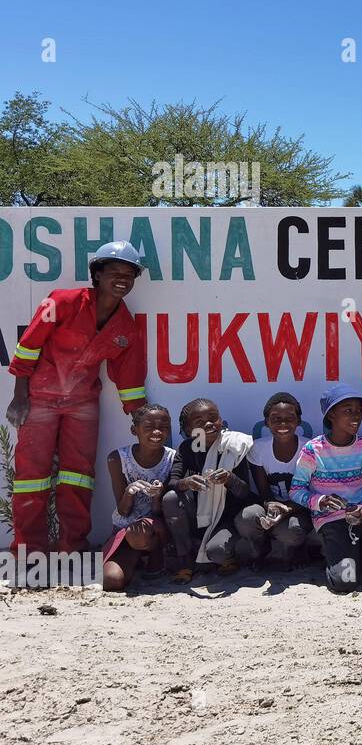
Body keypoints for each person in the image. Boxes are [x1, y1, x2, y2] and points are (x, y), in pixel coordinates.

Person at [5, 240, 149, 556]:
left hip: (83, 403)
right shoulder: (63, 301)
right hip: (40, 397)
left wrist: (138, 417)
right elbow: (28, 345)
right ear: (97, 274)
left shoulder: (126, 325)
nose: (122, 279)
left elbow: (129, 376)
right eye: (114, 272)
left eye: (129, 273)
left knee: (79, 477)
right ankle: (28, 551)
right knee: (32, 477)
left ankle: (72, 548)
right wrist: (20, 395)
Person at [290, 384, 362, 593]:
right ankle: (333, 550)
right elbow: (296, 490)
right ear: (331, 415)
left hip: (359, 518)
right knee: (345, 583)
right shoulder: (314, 449)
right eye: (348, 411)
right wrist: (320, 501)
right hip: (330, 520)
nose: (356, 417)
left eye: (359, 412)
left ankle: (354, 552)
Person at [163, 398, 256, 583]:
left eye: (213, 418)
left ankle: (225, 556)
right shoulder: (186, 449)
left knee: (217, 553)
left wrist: (230, 479)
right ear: (189, 430)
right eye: (199, 422)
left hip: (227, 516)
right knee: (171, 499)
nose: (209, 424)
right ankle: (185, 561)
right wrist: (186, 482)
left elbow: (245, 493)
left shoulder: (233, 446)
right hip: (197, 517)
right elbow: (172, 483)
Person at [102, 403, 176, 592]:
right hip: (126, 527)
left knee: (139, 531)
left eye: (163, 427)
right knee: (112, 580)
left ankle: (155, 558)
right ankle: (137, 560)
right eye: (149, 427)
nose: (157, 432)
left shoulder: (173, 458)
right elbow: (123, 510)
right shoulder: (117, 458)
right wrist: (129, 492)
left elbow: (162, 510)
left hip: (155, 529)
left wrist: (157, 495)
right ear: (134, 430)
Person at [236, 392, 311, 571]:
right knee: (247, 518)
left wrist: (287, 511)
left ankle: (297, 549)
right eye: (276, 419)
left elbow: (312, 495)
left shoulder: (309, 449)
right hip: (272, 505)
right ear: (267, 423)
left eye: (289, 418)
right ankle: (261, 548)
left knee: (292, 531)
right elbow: (264, 492)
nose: (283, 424)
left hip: (299, 508)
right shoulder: (258, 449)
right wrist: (271, 508)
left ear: (299, 421)